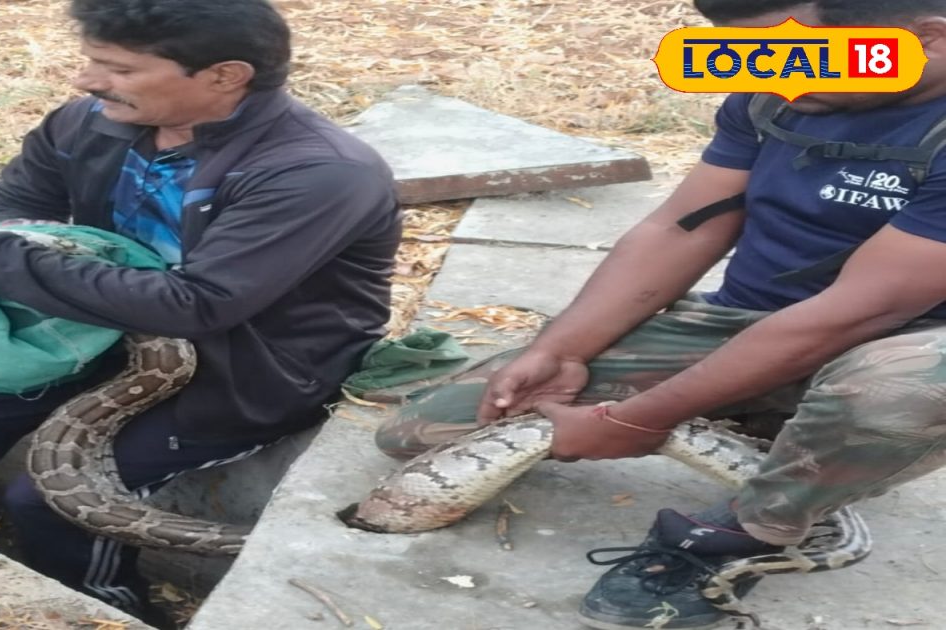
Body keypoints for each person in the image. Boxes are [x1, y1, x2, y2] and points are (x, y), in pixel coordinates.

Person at [375, 0, 946, 628]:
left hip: (904, 344)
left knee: (889, 392)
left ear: (927, 40)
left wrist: (641, 420)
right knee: (428, 430)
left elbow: (857, 313)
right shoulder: (777, 99)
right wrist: (562, 348)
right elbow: (679, 231)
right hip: (753, 323)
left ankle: (746, 535)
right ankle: (772, 424)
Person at [0, 0, 401, 625]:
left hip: (243, 366)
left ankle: (106, 610)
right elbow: (15, 205)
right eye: (92, 60)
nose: (87, 81)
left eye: (117, 68)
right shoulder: (91, 122)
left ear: (225, 75)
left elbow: (199, 306)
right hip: (93, 332)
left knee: (50, 501)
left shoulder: (318, 172)